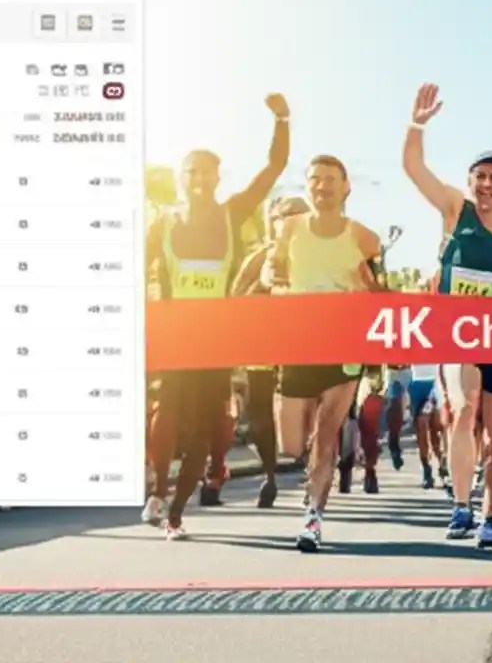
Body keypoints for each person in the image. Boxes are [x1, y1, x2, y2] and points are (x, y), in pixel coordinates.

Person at [142, 93, 290, 539]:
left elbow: (274, 168)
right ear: (182, 179)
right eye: (191, 172)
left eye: (207, 171)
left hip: (214, 339)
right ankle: (158, 490)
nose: (199, 179)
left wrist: (281, 119)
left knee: (207, 428)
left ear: (217, 177)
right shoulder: (162, 224)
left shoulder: (231, 213)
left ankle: (175, 514)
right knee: (166, 412)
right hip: (174, 334)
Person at [402, 83, 492, 549]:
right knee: (463, 413)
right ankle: (462, 505)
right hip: (457, 334)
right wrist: (417, 124)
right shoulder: (454, 210)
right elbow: (413, 168)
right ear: (470, 181)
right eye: (480, 176)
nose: (487, 184)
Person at [262, 154, 384, 552]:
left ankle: (313, 516)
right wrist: (277, 286)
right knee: (292, 444)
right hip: (297, 342)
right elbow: (270, 273)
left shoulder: (365, 237)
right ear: (308, 185)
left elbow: (377, 293)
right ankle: (311, 465)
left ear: (346, 186)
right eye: (315, 179)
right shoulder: (290, 228)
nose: (322, 186)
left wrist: (365, 285)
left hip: (343, 343)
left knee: (327, 432)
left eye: (330, 179)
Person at [230, 195, 312, 508]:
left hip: (304, 346)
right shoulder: (260, 257)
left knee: (305, 411)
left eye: (298, 214)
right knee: (259, 416)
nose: (290, 220)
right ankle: (270, 474)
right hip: (261, 345)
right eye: (284, 215)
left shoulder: (320, 256)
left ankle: (312, 467)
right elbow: (236, 296)